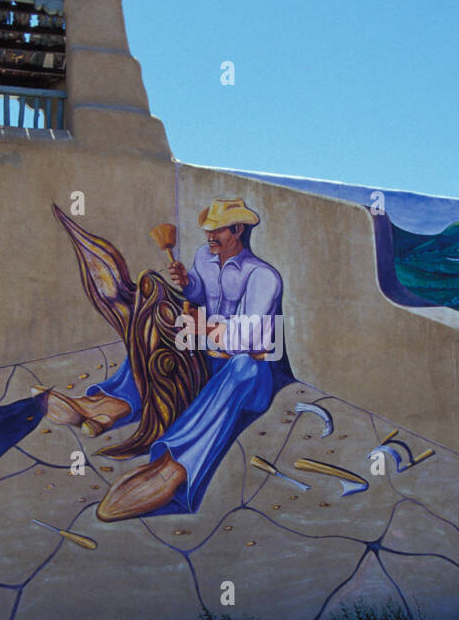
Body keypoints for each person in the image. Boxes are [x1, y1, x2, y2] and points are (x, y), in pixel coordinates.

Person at [41, 198, 291, 520]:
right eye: (208, 230)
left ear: (238, 230)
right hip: (208, 354)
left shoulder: (263, 276)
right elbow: (200, 296)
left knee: (242, 368)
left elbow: (254, 336)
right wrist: (188, 283)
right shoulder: (204, 256)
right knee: (162, 330)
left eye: (216, 231)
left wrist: (206, 328)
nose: (209, 237)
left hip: (252, 372)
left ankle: (173, 465)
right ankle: (112, 403)